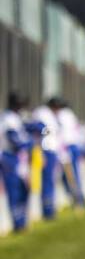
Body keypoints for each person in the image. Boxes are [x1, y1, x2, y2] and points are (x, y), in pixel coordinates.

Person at [2, 94, 33, 232]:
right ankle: (18, 223)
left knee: (24, 189)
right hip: (10, 157)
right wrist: (29, 143)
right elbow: (15, 140)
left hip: (19, 158)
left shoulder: (16, 117)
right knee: (14, 190)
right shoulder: (8, 118)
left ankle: (22, 220)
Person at [55, 99, 85, 208]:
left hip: (66, 147)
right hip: (74, 146)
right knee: (74, 175)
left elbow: (59, 133)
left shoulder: (61, 115)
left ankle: (78, 200)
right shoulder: (71, 115)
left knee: (70, 176)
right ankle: (79, 199)